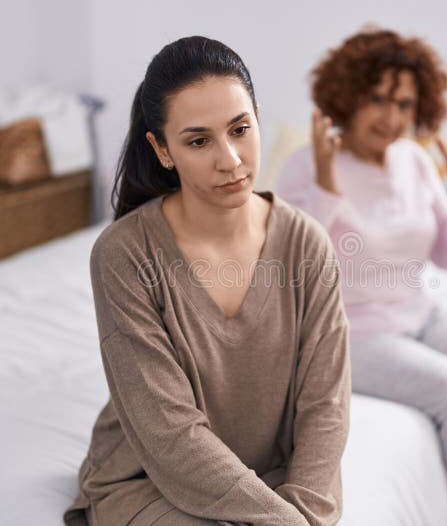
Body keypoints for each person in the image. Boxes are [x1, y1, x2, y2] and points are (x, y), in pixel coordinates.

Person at [63, 36, 351, 526]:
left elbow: (326, 408)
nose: (231, 160)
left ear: (258, 117)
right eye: (199, 141)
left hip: (273, 482)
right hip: (150, 483)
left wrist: (301, 513)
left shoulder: (307, 244)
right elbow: (168, 434)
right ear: (162, 149)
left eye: (240, 129)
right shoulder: (123, 255)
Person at [275, 28, 447, 526]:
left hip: (420, 315)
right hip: (349, 335)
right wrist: (328, 188)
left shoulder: (415, 162)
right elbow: (293, 268)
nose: (392, 116)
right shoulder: (306, 165)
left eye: (404, 103)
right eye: (378, 98)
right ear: (347, 94)